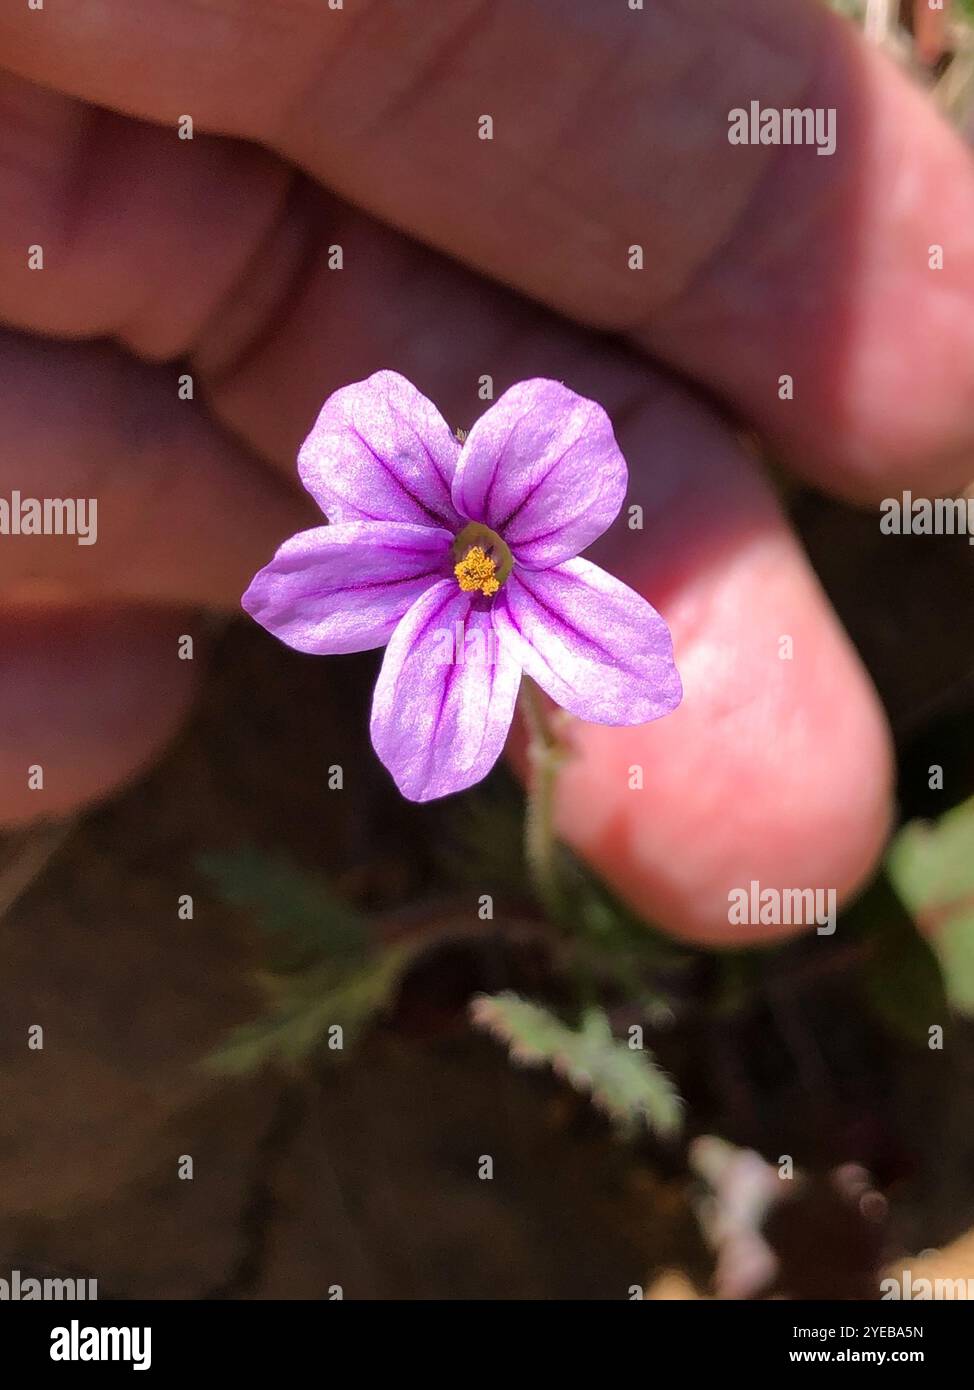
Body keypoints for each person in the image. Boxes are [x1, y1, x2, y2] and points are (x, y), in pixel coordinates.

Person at [0, 0, 970, 945]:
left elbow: (557, 463)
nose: (477, 563)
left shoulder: (500, 501)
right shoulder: (402, 495)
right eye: (475, 556)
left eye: (481, 553)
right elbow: (342, 527)